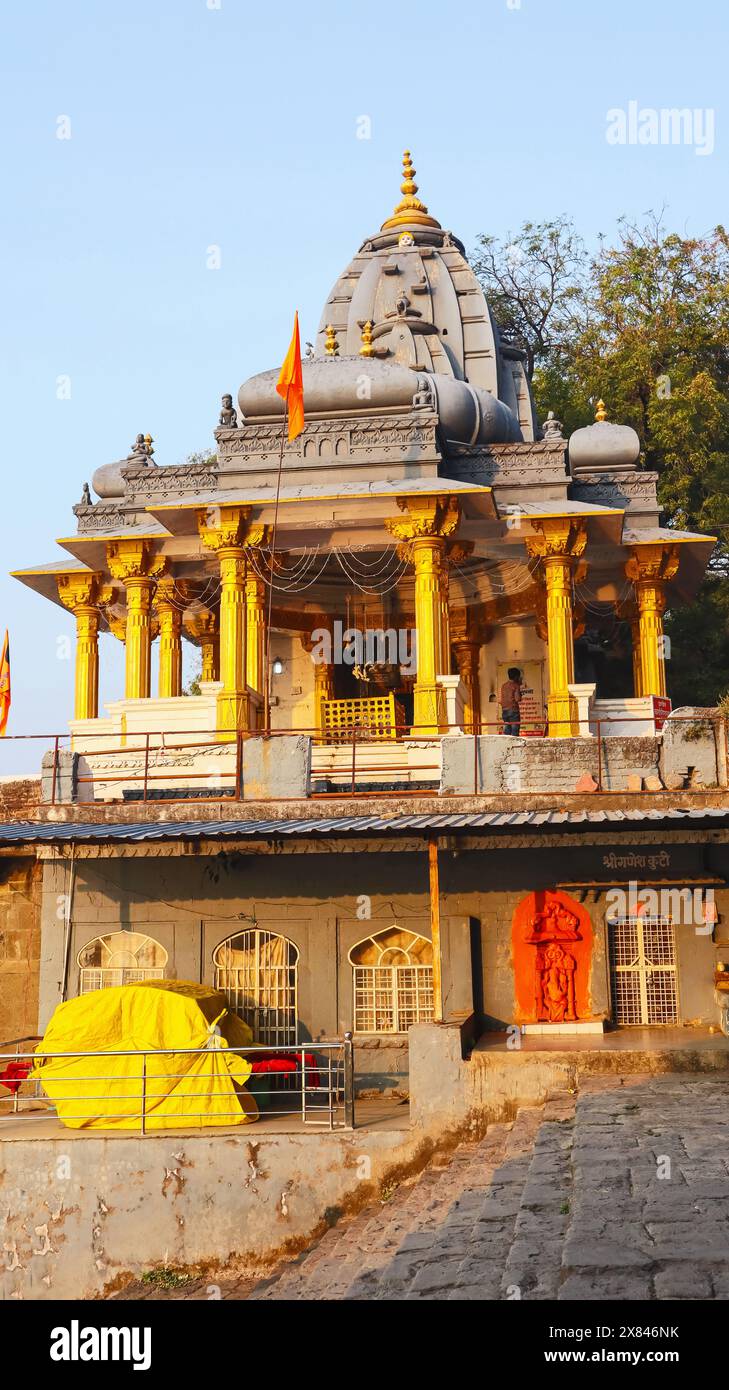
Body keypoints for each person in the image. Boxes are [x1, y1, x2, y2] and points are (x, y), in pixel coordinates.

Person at [500, 666, 523, 736]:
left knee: (507, 731)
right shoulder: (515, 685)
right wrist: (520, 694)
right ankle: (515, 746)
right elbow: (517, 699)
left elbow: (500, 699)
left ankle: (507, 746)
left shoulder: (503, 686)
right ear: (516, 676)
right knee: (514, 731)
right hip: (513, 710)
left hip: (504, 710)